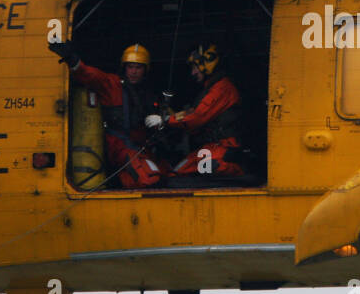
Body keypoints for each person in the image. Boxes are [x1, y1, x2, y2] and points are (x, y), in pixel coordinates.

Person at [49, 40, 168, 188]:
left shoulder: (149, 94)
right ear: (124, 68)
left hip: (142, 149)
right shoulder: (112, 85)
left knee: (165, 174)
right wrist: (73, 60)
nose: (134, 71)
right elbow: (89, 75)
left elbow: (170, 118)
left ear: (145, 70)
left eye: (138, 67)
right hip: (119, 147)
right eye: (130, 67)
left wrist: (162, 120)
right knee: (149, 177)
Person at [148, 43, 245, 179]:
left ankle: (240, 170)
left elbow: (198, 118)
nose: (193, 72)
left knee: (209, 166)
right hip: (211, 147)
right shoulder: (211, 88)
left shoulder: (222, 89)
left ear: (207, 63)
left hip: (224, 147)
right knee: (177, 172)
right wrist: (172, 116)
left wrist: (165, 120)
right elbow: (193, 114)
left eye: (195, 67)